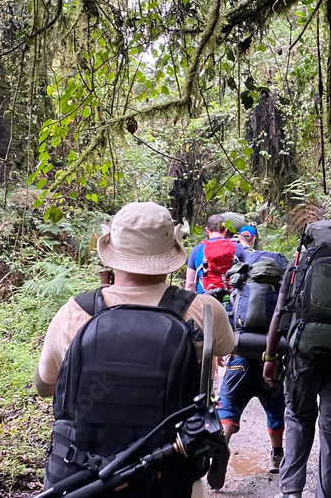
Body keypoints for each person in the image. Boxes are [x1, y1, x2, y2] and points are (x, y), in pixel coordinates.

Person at [35, 202, 235, 498]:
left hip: (83, 482)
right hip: (171, 481)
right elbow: (226, 347)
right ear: (171, 250)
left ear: (112, 250)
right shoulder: (205, 310)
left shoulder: (75, 312)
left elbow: (45, 386)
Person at [263, 221, 331, 498]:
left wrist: (270, 356)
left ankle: (291, 492)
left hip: (302, 359)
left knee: (297, 418)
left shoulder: (298, 267)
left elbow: (279, 314)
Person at [206, 224, 288, 489]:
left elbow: (227, 322)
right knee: (275, 407)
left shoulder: (238, 288)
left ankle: (223, 444)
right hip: (271, 358)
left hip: (240, 357)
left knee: (228, 405)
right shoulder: (280, 293)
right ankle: (276, 457)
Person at [185, 214, 246, 294]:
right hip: (231, 299)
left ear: (207, 230)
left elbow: (189, 284)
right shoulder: (237, 248)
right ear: (225, 230)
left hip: (205, 300)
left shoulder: (196, 250)